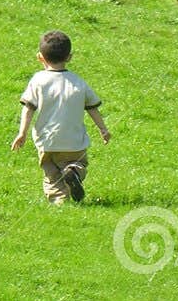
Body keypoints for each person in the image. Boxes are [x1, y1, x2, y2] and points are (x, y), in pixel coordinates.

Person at [11, 30, 110, 203]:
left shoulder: (38, 80)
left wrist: (22, 133)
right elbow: (92, 108)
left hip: (47, 141)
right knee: (79, 163)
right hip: (73, 141)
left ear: (40, 57)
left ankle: (59, 203)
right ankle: (74, 172)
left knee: (51, 174)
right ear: (69, 57)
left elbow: (28, 108)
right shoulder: (78, 82)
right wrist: (103, 129)